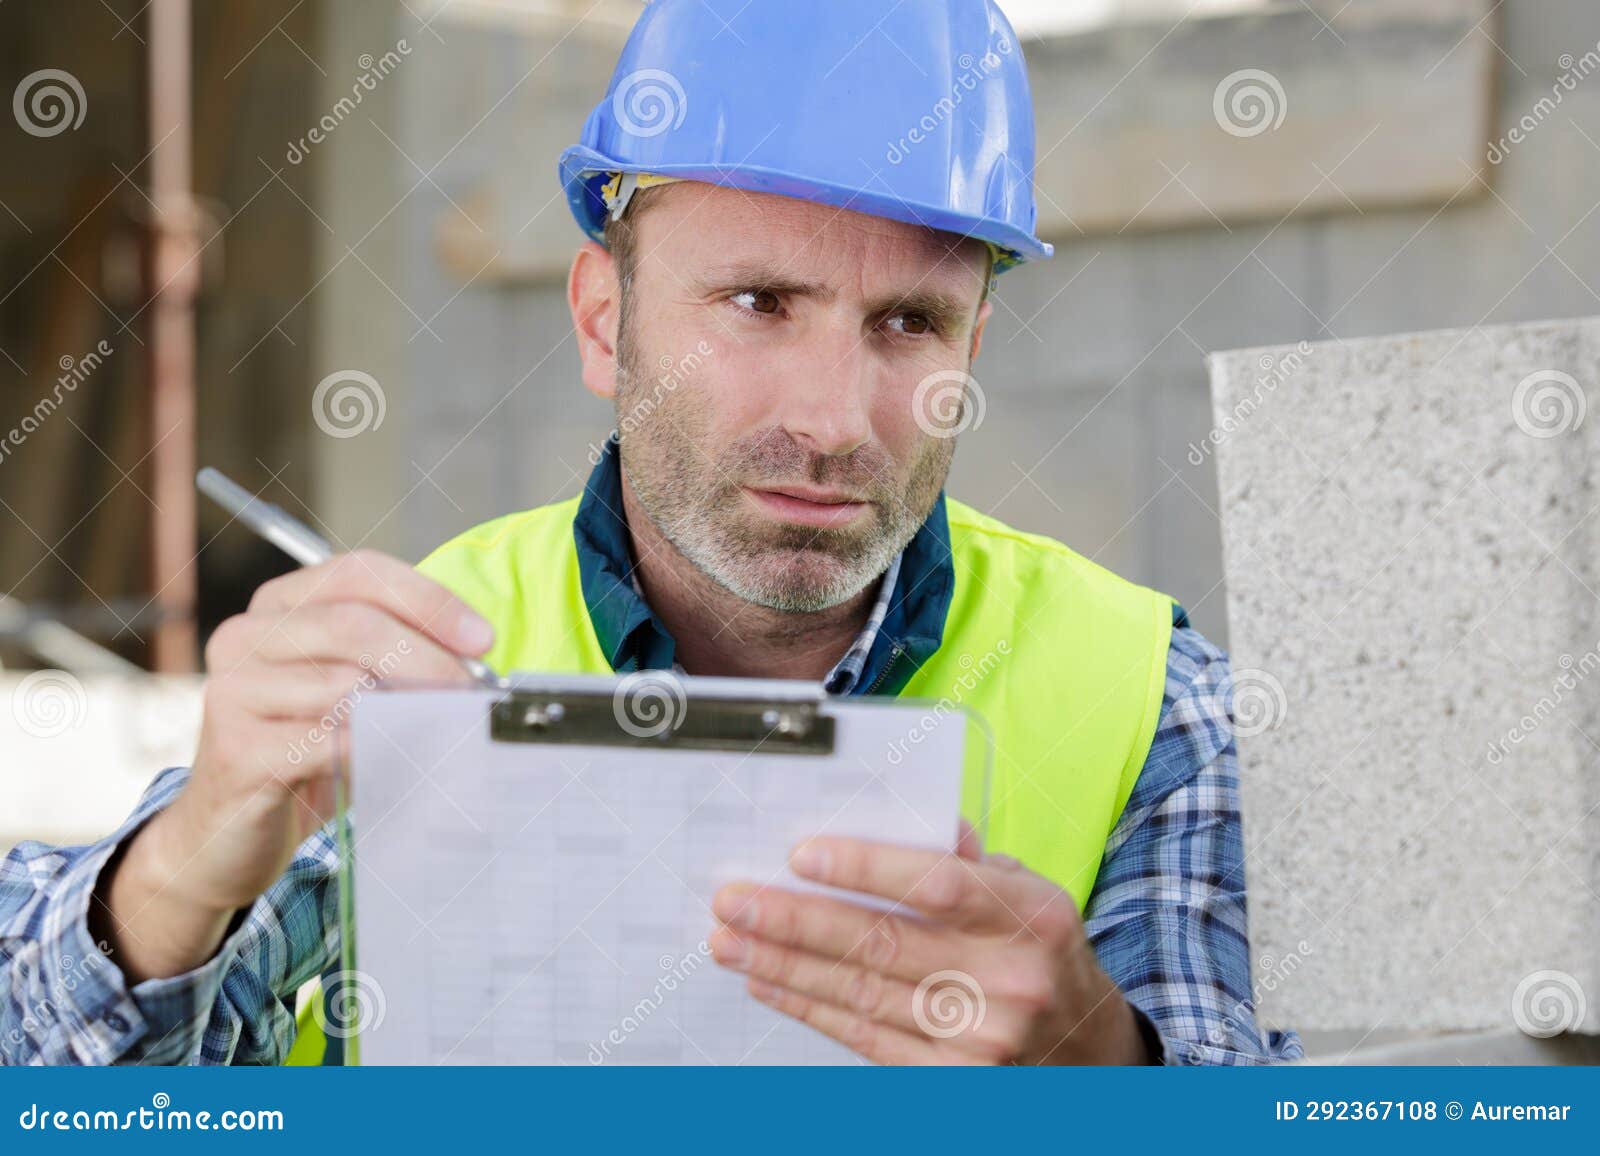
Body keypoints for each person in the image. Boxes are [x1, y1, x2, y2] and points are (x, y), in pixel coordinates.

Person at [0, 0, 1300, 1066]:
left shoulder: (1155, 707)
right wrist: (178, 879)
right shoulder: (396, 681)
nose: (833, 419)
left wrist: (1104, 1074)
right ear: (603, 320)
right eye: (758, 301)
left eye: (910, 323)